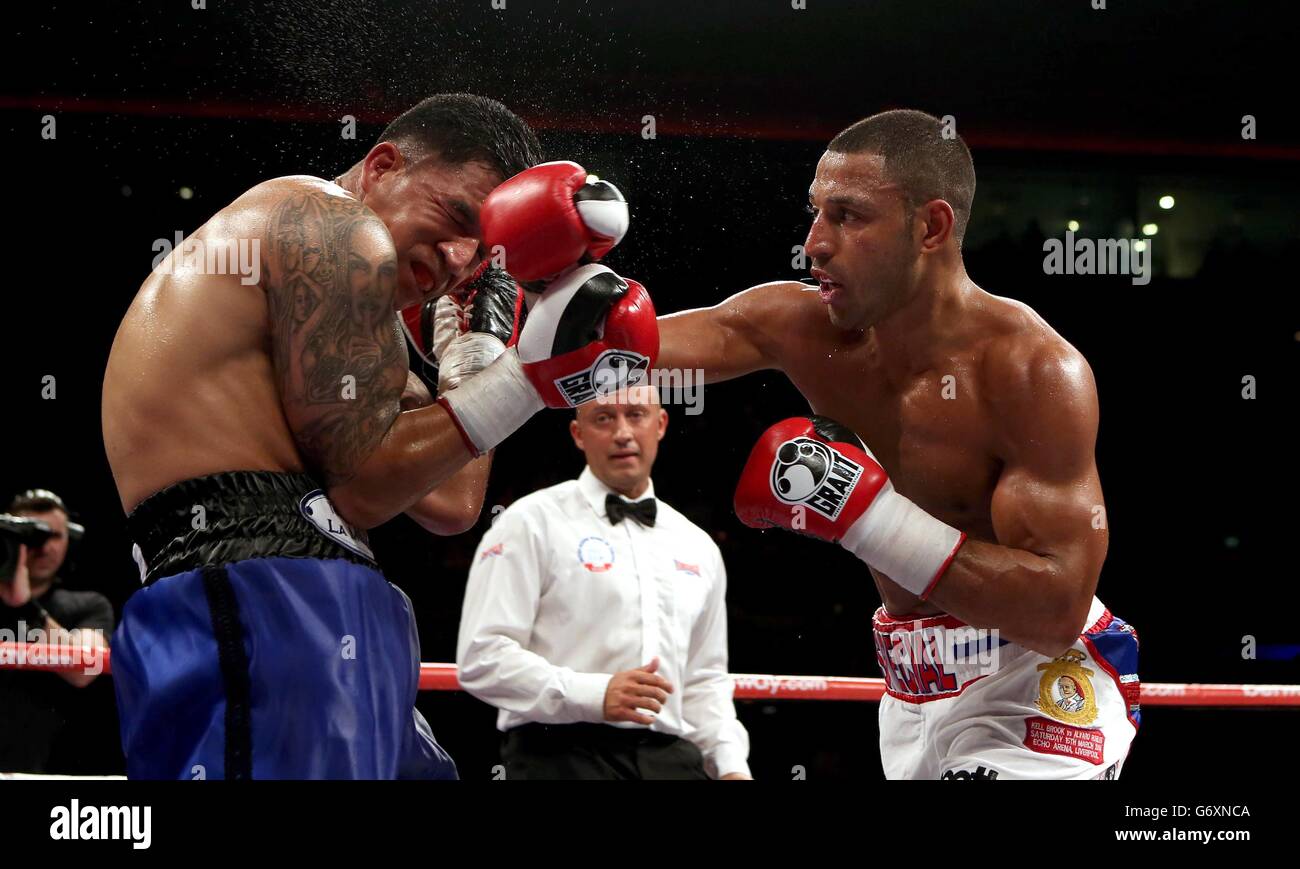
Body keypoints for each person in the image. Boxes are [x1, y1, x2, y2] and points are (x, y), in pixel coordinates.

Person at [101, 92, 658, 779]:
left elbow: (453, 500)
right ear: (383, 166)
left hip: (326, 614)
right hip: (265, 606)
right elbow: (364, 487)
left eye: (480, 251)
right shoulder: (325, 221)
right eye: (454, 217)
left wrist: (475, 358)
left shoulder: (364, 331)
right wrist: (523, 379)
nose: (458, 259)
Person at [657, 109, 1139, 779]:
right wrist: (533, 300)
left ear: (931, 227)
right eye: (815, 212)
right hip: (908, 690)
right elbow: (621, 353)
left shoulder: (1031, 370)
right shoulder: (802, 326)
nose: (814, 243)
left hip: (1038, 685)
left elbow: (1056, 611)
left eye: (848, 216)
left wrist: (871, 519)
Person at [457, 385, 751, 780]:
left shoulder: (696, 545)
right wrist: (593, 694)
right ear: (578, 434)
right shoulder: (530, 522)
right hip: (558, 752)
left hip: (670, 758)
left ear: (660, 424)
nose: (623, 433)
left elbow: (703, 680)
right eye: (604, 418)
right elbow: (482, 656)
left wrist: (731, 766)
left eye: (635, 415)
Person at [0, 489, 112, 773]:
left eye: (55, 536)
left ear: (69, 540)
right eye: (34, 535)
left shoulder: (87, 605)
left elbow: (85, 668)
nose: (45, 546)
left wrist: (26, 606)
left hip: (42, 776)